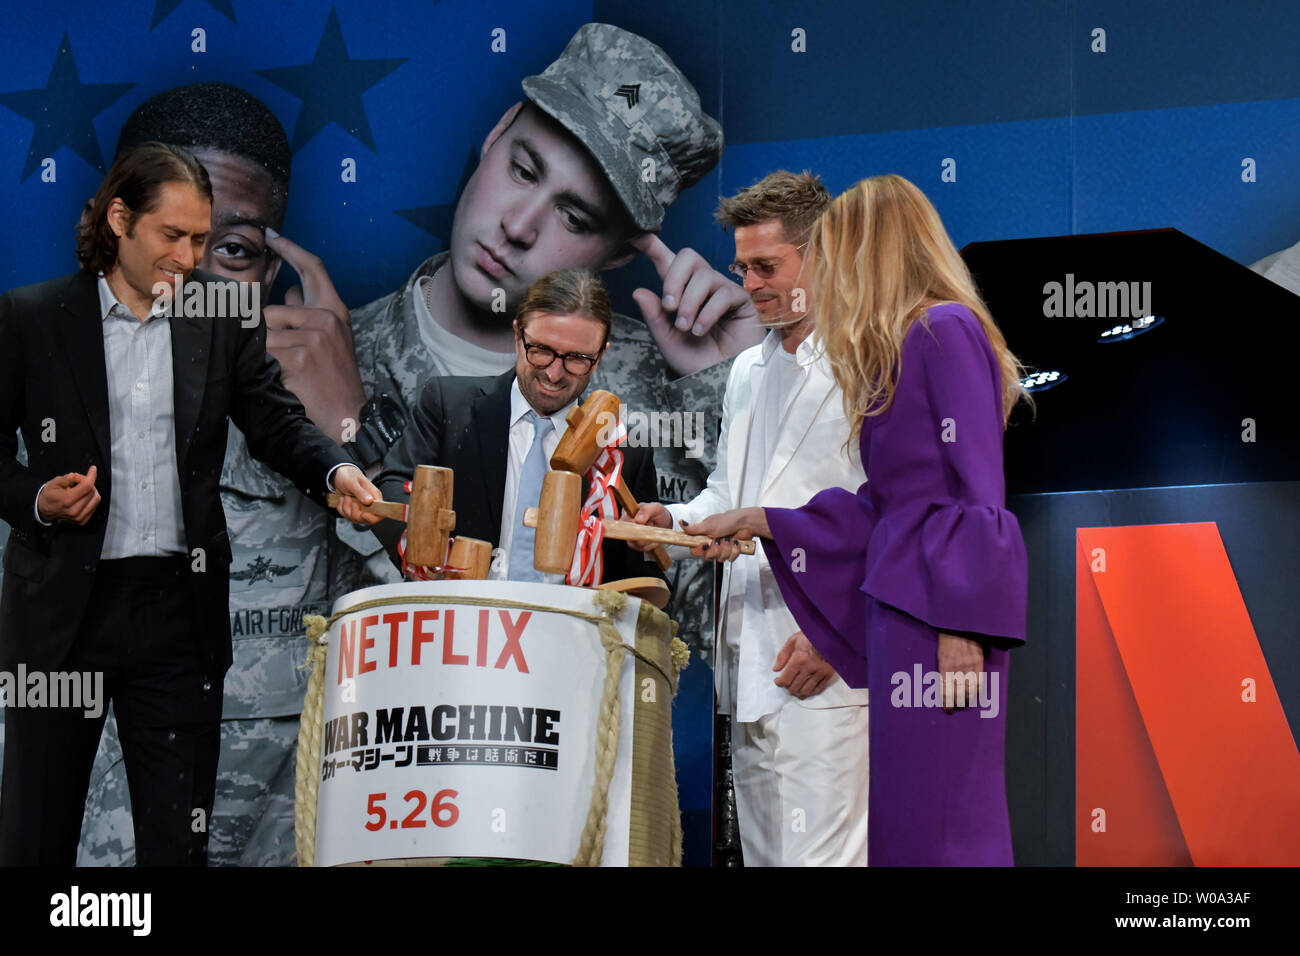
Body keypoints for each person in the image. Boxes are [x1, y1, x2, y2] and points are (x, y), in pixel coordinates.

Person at [0, 143, 381, 865]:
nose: (188, 255)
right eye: (171, 236)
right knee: (34, 837)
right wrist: (39, 499)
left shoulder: (222, 315)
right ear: (119, 219)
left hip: (178, 616)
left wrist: (335, 472)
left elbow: (274, 421)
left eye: (203, 240)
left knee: (178, 845)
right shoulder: (31, 319)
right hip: (60, 617)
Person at [341, 22, 762, 665]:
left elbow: (715, 640)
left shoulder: (645, 400)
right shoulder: (337, 351)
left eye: (574, 217)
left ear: (622, 252)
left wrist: (726, 385)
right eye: (522, 168)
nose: (516, 225)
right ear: (496, 131)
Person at [686, 174, 1030, 865]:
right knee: (904, 831)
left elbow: (979, 491)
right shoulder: (896, 345)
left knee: (948, 826)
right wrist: (763, 520)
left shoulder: (945, 329)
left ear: (873, 248)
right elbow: (882, 504)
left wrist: (962, 622)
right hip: (897, 612)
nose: (832, 268)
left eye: (838, 249)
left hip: (940, 620)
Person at [630, 171, 869, 865]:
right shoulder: (746, 372)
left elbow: (894, 517)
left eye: (768, 266)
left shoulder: (869, 362)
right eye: (743, 267)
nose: (750, 283)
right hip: (748, 664)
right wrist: (670, 523)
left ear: (821, 256)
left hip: (823, 668)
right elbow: (728, 497)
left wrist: (841, 636)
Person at [369, 269, 664, 587]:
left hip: (568, 629)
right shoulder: (449, 405)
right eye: (540, 350)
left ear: (601, 355)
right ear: (517, 335)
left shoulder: (622, 448)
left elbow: (640, 572)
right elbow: (394, 487)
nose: (554, 373)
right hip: (462, 617)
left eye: (577, 359)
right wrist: (431, 558)